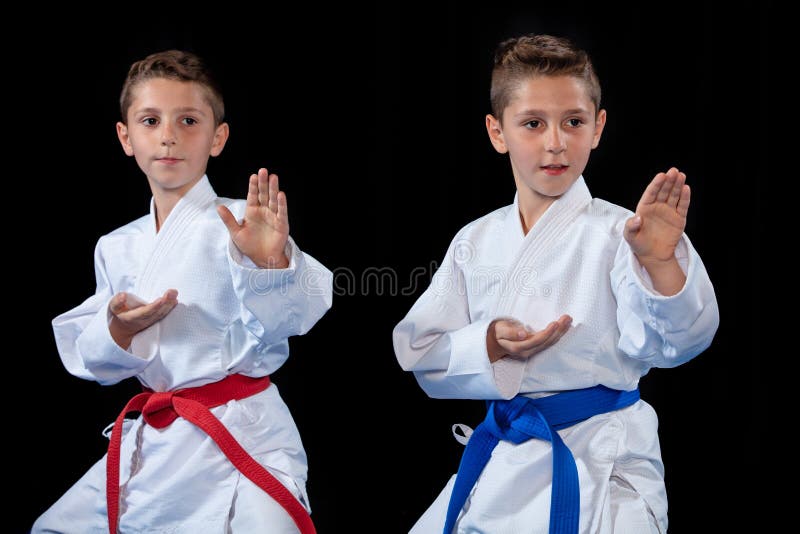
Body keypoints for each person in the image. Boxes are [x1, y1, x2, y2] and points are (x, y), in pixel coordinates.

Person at [393, 34, 719, 534]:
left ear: (598, 127)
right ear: (496, 131)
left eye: (573, 122)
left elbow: (677, 343)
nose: (555, 142)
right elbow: (421, 352)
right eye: (532, 123)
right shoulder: (474, 240)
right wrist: (489, 344)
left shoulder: (624, 233)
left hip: (603, 460)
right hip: (506, 455)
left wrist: (659, 263)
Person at [33, 50, 332, 534]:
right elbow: (95, 360)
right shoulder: (115, 246)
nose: (168, 135)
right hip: (160, 435)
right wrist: (118, 329)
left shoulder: (244, 223)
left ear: (218, 138)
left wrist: (269, 261)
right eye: (150, 121)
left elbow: (291, 320)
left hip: (243, 431)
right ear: (125, 137)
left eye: (188, 120)